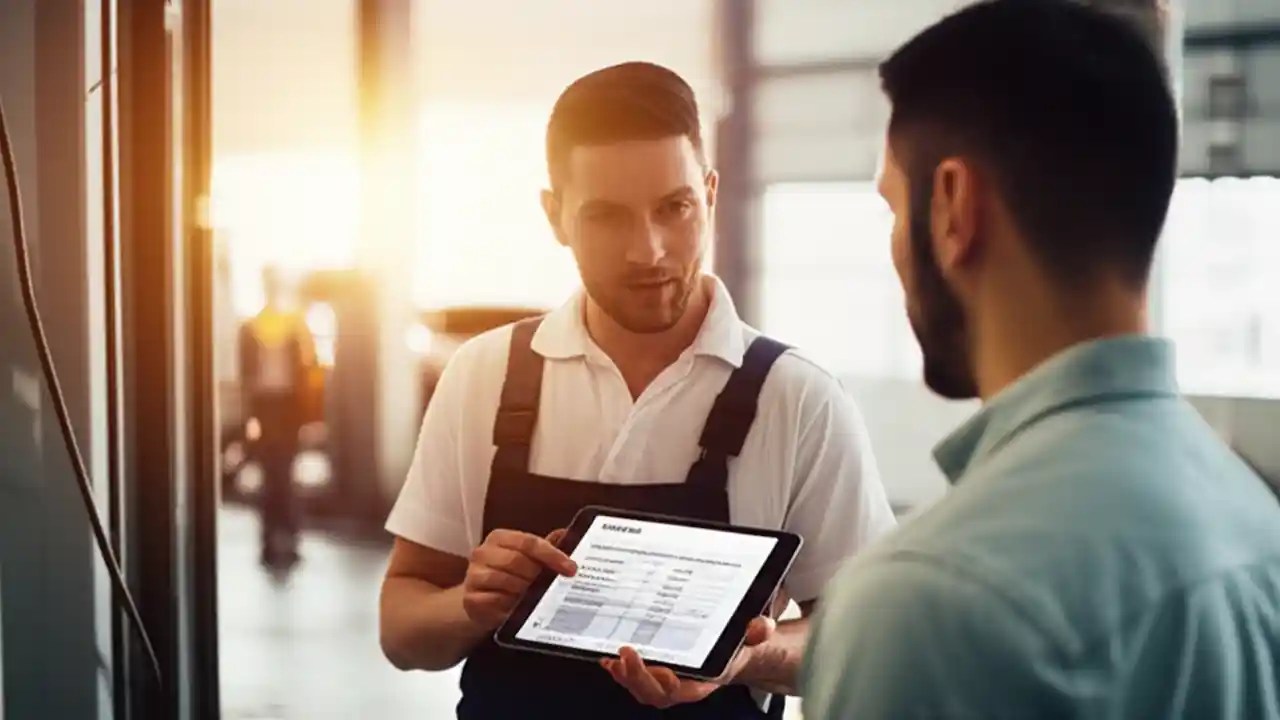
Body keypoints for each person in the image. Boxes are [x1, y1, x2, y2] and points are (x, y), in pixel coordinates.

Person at [800, 2, 1280, 718]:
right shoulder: (1255, 524)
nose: (895, 247)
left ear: (954, 208)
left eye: (894, 208)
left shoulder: (925, 601)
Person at [379, 62, 896, 719]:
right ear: (555, 215)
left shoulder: (800, 401)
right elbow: (401, 630)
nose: (648, 251)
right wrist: (467, 605)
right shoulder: (484, 376)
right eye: (606, 217)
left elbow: (866, 643)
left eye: (673, 208)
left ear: (709, 193)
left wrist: (748, 657)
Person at [239, 266, 315, 567]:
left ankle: (288, 539)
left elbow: (306, 373)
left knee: (284, 475)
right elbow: (247, 377)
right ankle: (271, 540)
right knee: (272, 476)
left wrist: (306, 417)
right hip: (266, 407)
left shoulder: (293, 326)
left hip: (287, 408)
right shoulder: (252, 327)